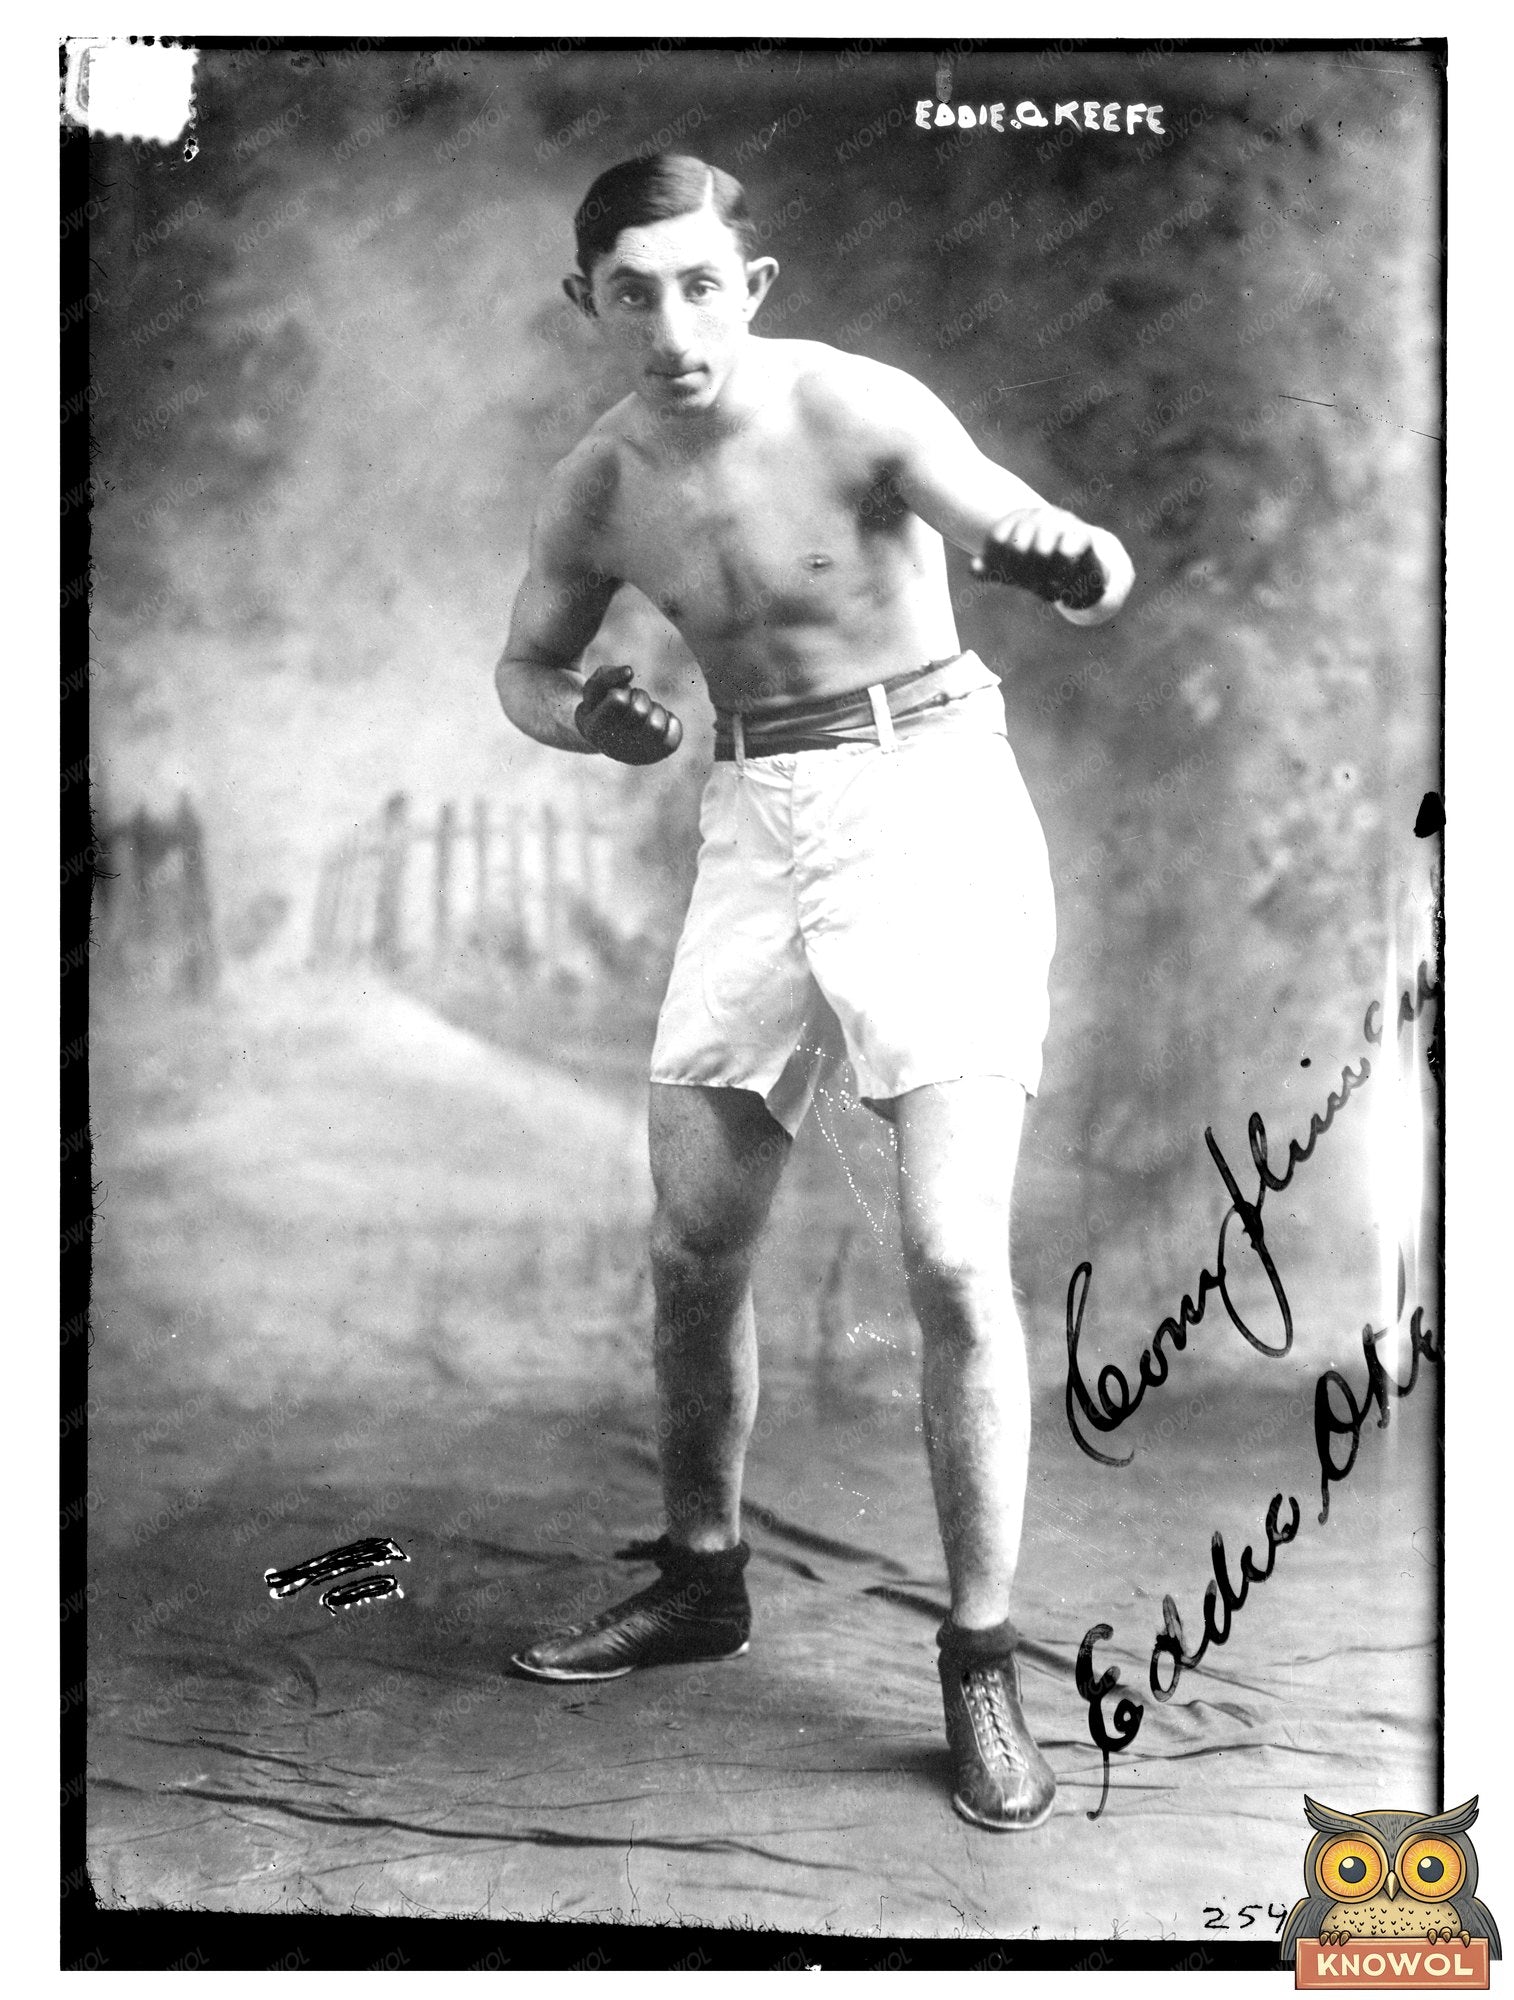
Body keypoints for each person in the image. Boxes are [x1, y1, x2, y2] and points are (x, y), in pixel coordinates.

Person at [493, 153, 1133, 1833]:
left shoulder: (853, 403)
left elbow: (996, 511)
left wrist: (1062, 554)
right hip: (756, 826)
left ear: (749, 285)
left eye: (699, 283)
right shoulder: (603, 478)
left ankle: (979, 1661)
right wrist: (591, 722)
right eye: (632, 291)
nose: (670, 320)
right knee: (691, 1241)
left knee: (944, 1255)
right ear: (588, 303)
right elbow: (527, 663)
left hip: (927, 796)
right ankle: (701, 1577)